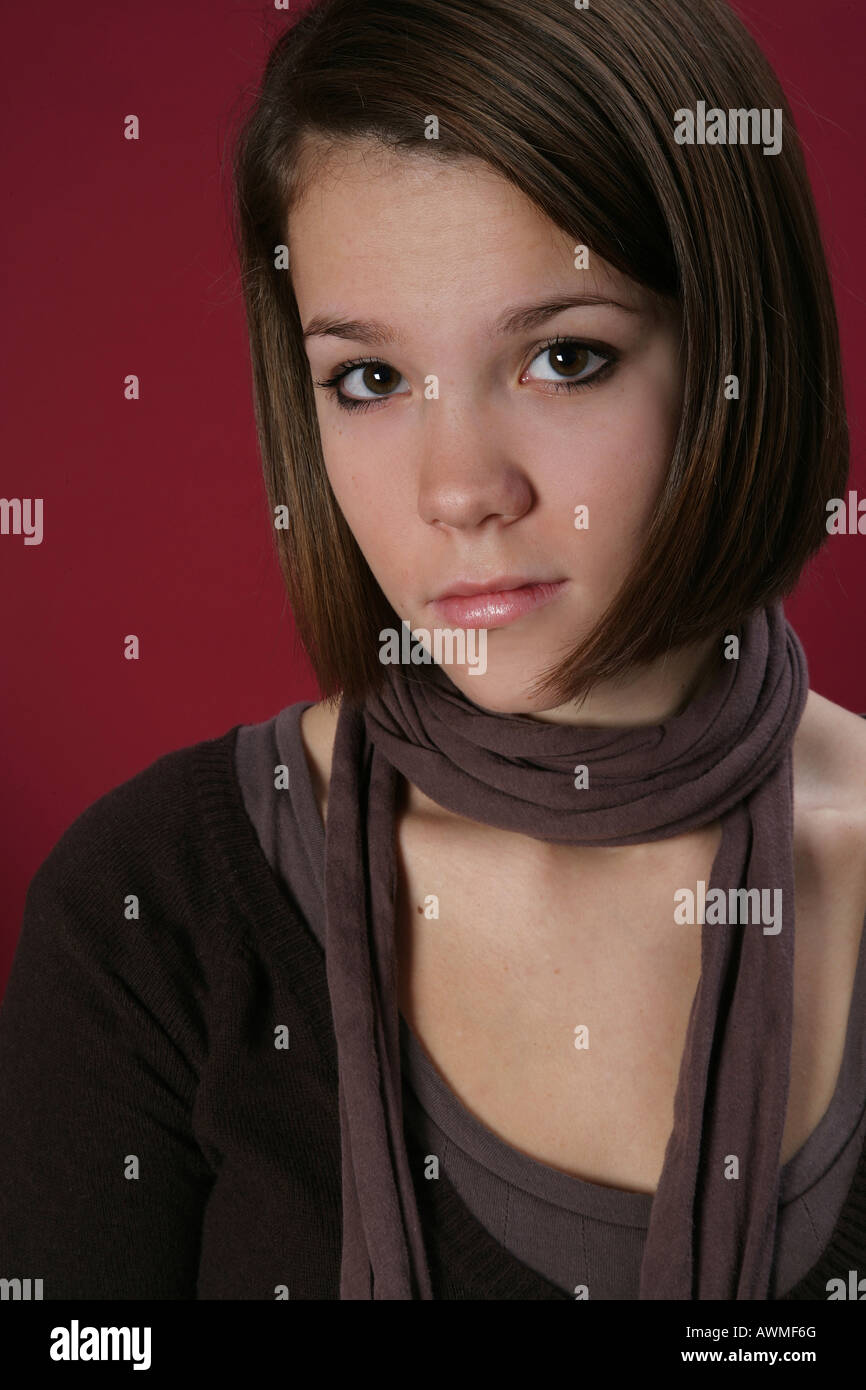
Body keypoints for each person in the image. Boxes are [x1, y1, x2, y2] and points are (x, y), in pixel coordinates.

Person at [1, 0, 864, 1302]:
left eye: (564, 357)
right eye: (369, 379)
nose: (457, 490)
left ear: (737, 349)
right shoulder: (154, 904)